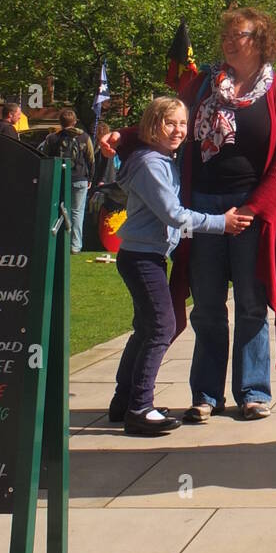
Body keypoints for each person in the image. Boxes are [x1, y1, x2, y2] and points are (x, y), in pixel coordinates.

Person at [103, 7, 276, 422]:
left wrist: (254, 208)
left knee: (251, 304)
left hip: (251, 210)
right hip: (201, 206)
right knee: (208, 306)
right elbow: (161, 124)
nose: (229, 42)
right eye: (225, 35)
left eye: (239, 34)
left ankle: (252, 391)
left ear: (262, 40)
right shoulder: (201, 86)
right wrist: (121, 137)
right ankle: (206, 394)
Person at [110, 96, 250, 435]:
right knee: (161, 327)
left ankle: (123, 400)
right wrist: (222, 223)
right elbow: (173, 215)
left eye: (183, 123)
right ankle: (140, 408)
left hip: (145, 254)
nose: (178, 130)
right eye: (169, 123)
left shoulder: (160, 159)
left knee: (146, 328)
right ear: (151, 125)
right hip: (142, 257)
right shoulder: (151, 164)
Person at [40, 108, 95, 253]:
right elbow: (91, 159)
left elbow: (46, 158)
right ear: (75, 121)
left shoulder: (52, 138)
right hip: (79, 178)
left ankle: (57, 242)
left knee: (58, 210)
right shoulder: (84, 137)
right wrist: (90, 178)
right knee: (77, 212)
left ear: (60, 122)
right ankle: (75, 245)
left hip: (59, 177)